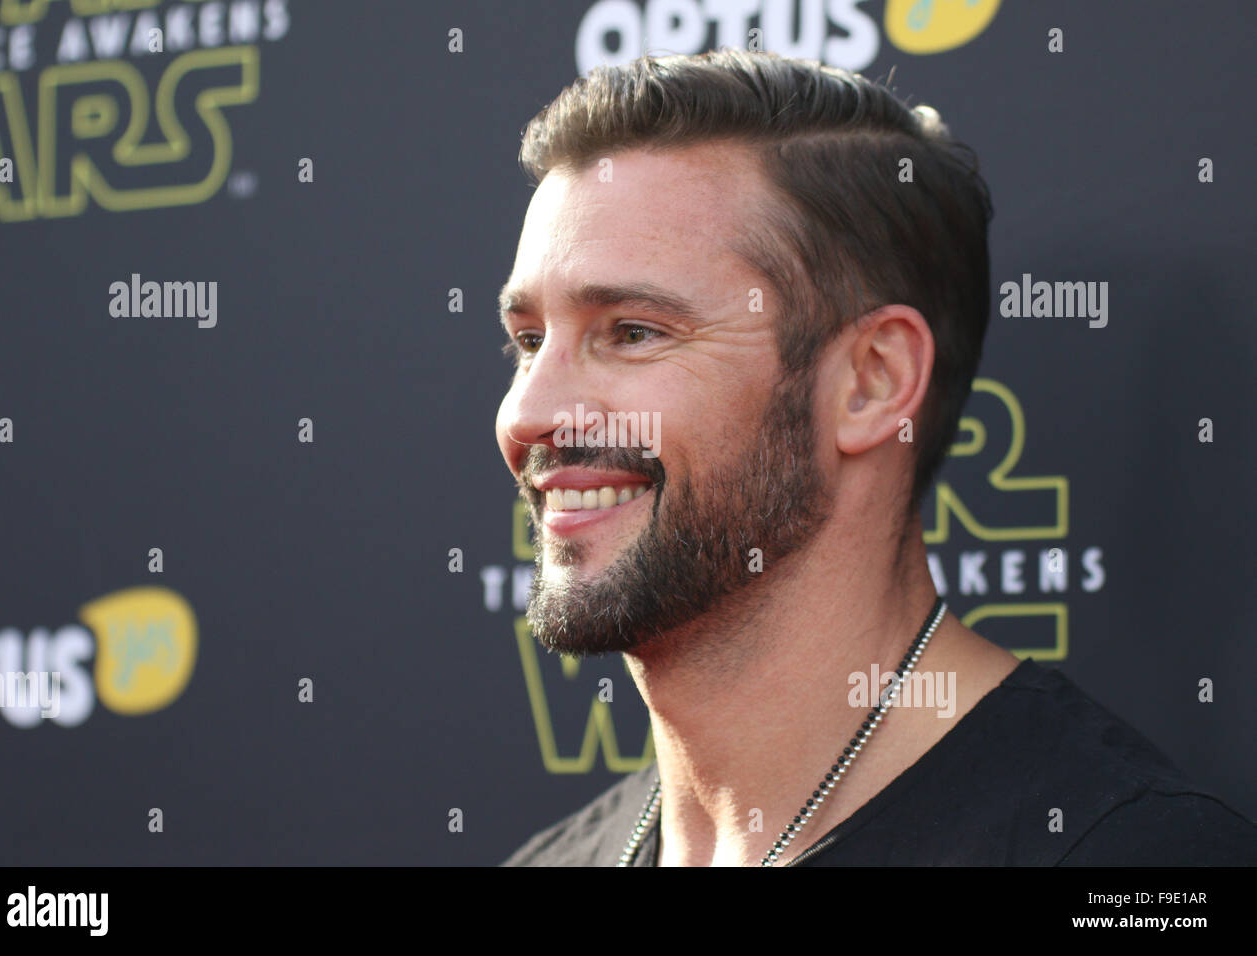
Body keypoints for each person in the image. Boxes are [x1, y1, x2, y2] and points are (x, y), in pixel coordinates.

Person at [493, 50, 1257, 866]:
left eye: (633, 333)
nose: (528, 415)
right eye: (529, 341)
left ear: (872, 383)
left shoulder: (1140, 861)